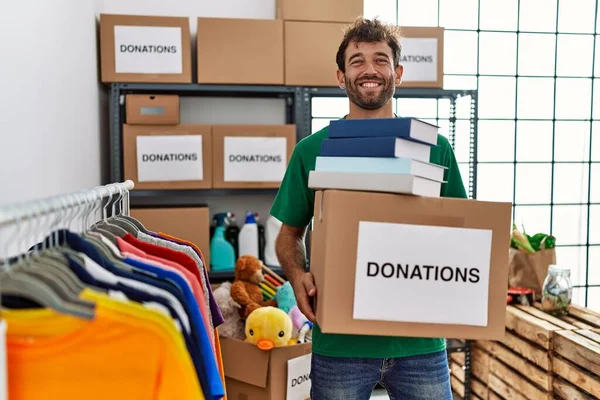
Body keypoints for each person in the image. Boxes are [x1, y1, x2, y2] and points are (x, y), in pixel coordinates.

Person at [269, 17, 467, 400]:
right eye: (356, 61)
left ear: (399, 72)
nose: (370, 69)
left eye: (381, 59)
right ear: (341, 77)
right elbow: (288, 235)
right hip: (340, 344)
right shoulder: (310, 151)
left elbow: (462, 230)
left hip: (420, 342)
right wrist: (298, 275)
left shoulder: (433, 148)